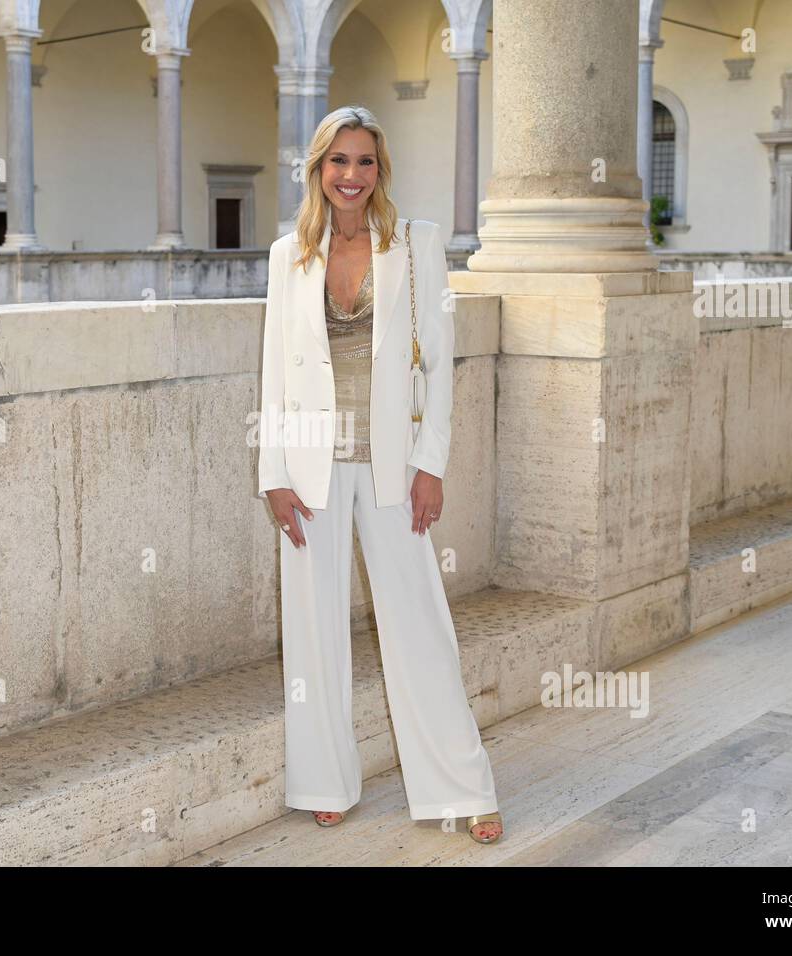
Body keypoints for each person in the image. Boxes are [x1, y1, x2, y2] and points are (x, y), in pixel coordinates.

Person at [256, 105, 502, 845]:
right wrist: (275, 472)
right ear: (318, 171)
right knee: (313, 633)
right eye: (339, 162)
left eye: (365, 162)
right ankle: (324, 779)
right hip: (311, 467)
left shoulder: (418, 246)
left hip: (395, 468)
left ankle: (464, 786)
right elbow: (275, 372)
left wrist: (431, 465)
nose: (351, 176)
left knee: (421, 626)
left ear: (380, 171)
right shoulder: (287, 255)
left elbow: (439, 366)